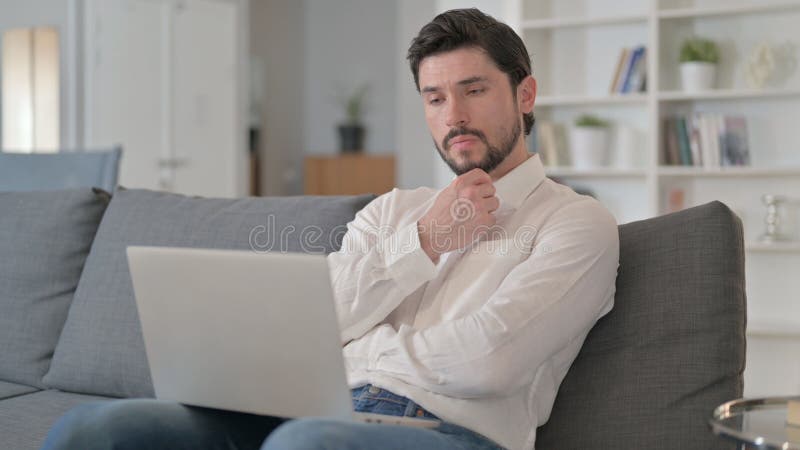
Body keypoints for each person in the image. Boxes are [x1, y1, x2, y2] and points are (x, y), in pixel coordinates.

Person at [41, 8, 618, 450]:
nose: (454, 117)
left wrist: (357, 350)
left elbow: (489, 361)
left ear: (524, 94)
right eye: (435, 97)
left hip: (449, 434)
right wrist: (421, 244)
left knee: (302, 444)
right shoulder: (393, 210)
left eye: (474, 90)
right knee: (96, 428)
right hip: (310, 409)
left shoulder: (575, 222)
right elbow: (314, 322)